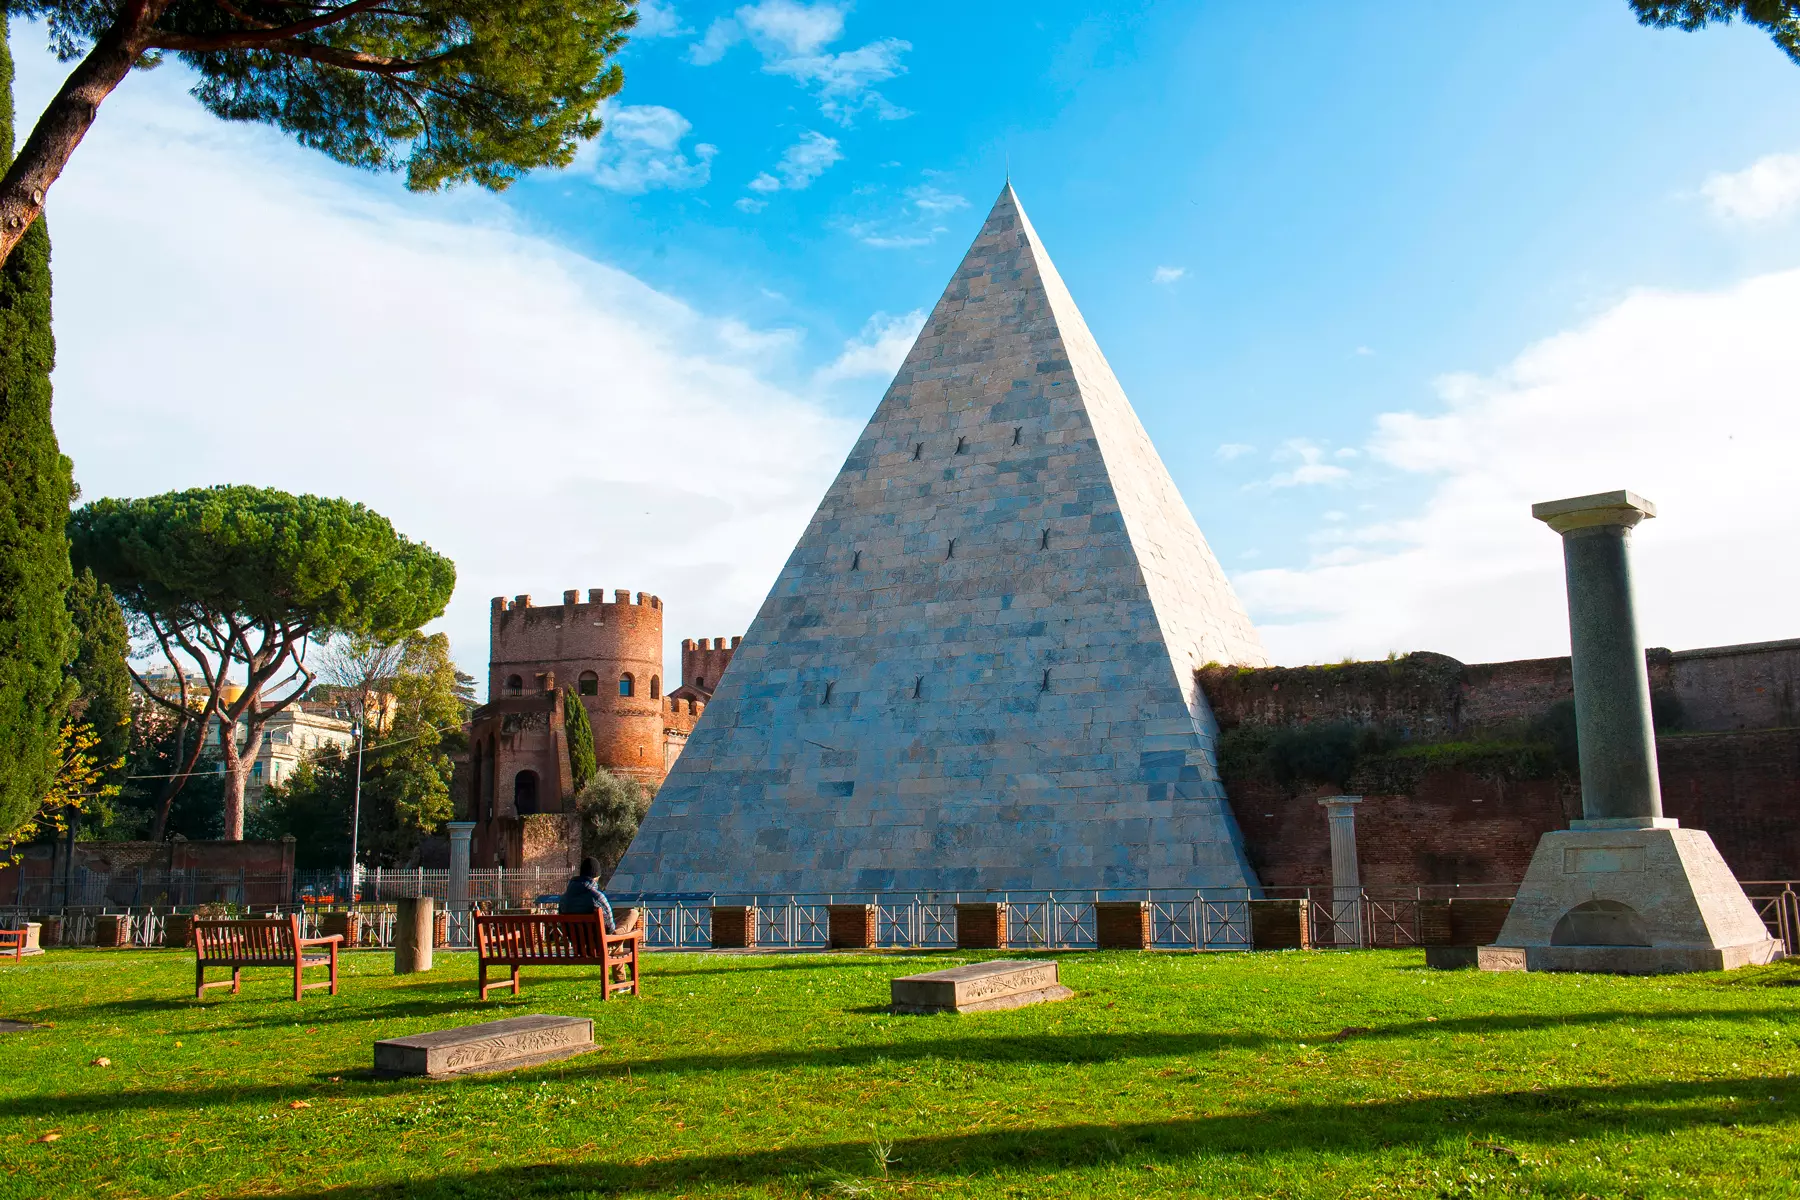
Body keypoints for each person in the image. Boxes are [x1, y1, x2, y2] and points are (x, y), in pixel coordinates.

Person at [560, 857, 616, 930]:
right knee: (632, 913)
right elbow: (610, 928)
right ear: (597, 876)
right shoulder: (597, 897)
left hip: (575, 939)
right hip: (598, 939)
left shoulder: (564, 898)